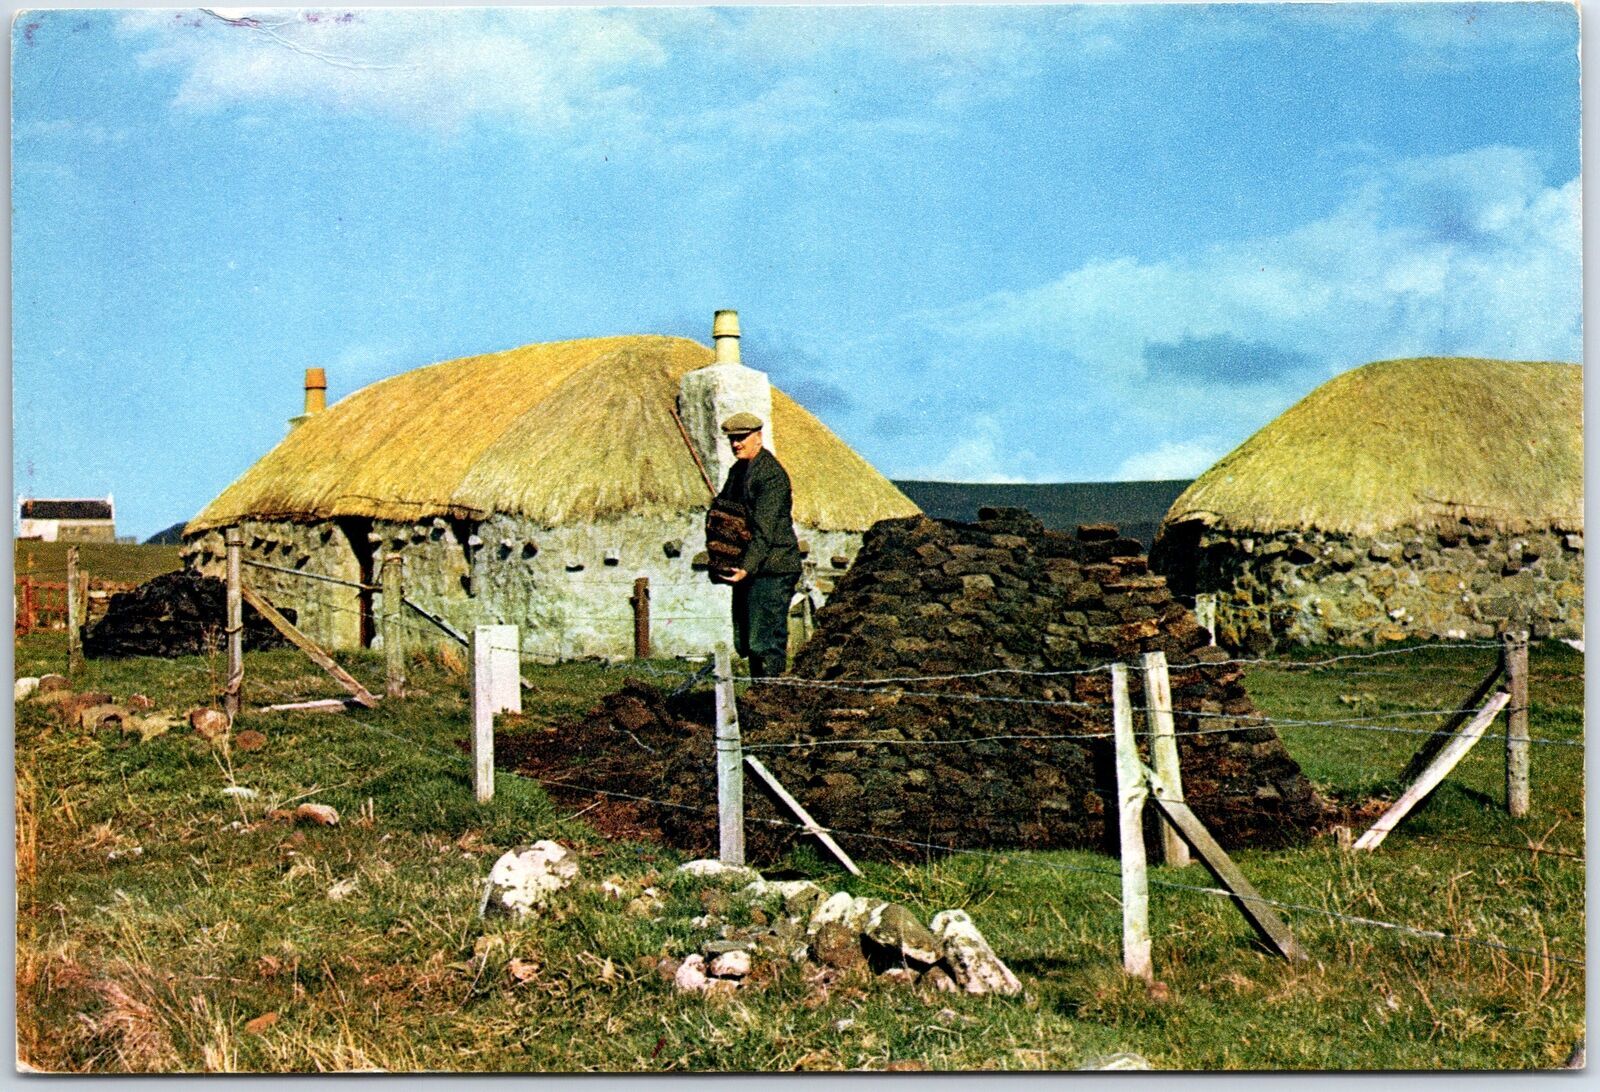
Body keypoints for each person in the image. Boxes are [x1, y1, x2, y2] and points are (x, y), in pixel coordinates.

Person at [711, 411, 802, 678]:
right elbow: (726, 515)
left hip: (773, 568)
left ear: (758, 437)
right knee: (748, 641)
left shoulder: (771, 476)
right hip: (751, 568)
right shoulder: (738, 471)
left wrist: (745, 568)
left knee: (765, 642)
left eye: (741, 438)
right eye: (732, 439)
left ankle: (771, 704)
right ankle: (758, 699)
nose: (736, 444)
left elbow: (764, 531)